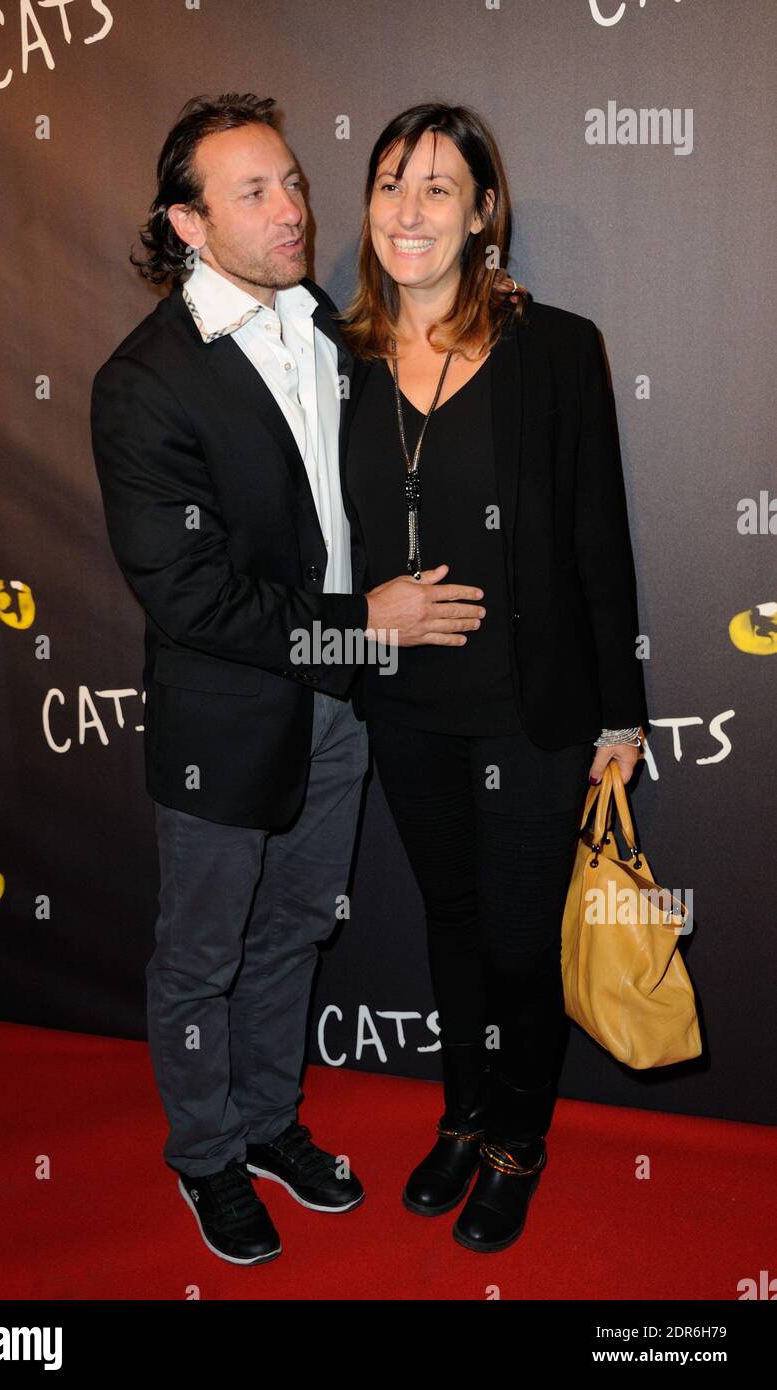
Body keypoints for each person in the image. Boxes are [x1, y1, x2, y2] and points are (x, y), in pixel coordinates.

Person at [89, 93, 494, 1266]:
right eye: (254, 192)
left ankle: (269, 1125)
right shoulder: (144, 381)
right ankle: (205, 1156)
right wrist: (360, 627)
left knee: (292, 939)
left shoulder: (323, 318)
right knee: (203, 957)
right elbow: (191, 598)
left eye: (294, 182)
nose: (293, 208)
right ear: (188, 223)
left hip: (336, 711)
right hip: (231, 715)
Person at [339, 102, 649, 1253]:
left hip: (530, 705)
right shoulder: (336, 357)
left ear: (481, 213)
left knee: (520, 941)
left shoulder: (556, 349)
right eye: (386, 185)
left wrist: (622, 711)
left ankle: (520, 1139)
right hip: (402, 704)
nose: (406, 211)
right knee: (453, 921)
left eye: (434, 187)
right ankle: (462, 1115)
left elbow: (595, 539)